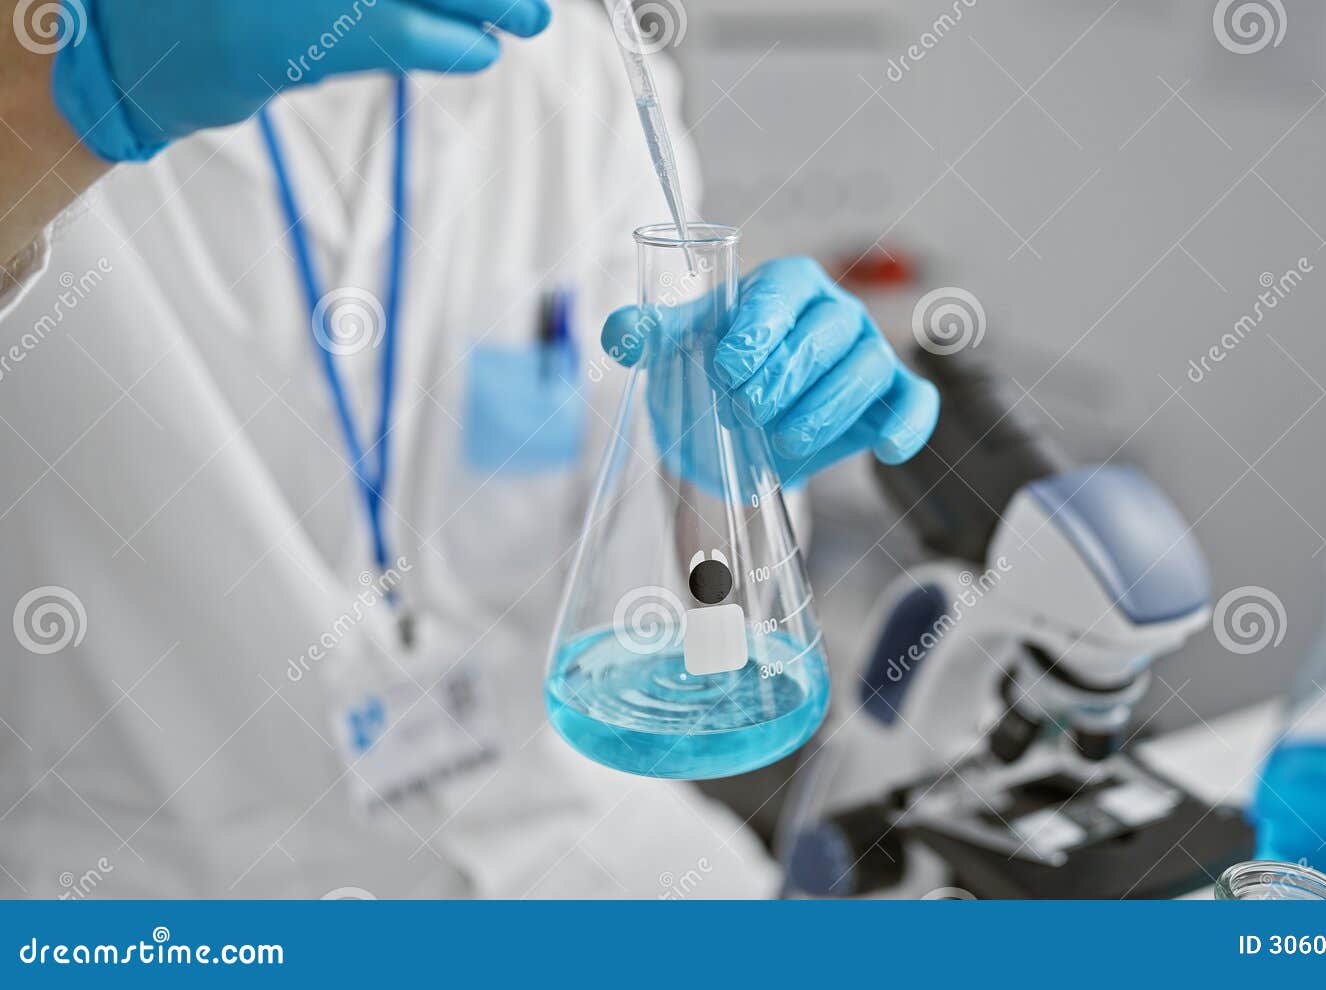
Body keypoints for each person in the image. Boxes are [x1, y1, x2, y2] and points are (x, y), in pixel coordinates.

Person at [0, 0, 938, 898]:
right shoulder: (77, 37)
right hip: (169, 895)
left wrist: (720, 476)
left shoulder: (579, 75)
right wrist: (58, 101)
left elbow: (682, 627)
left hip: (573, 853)